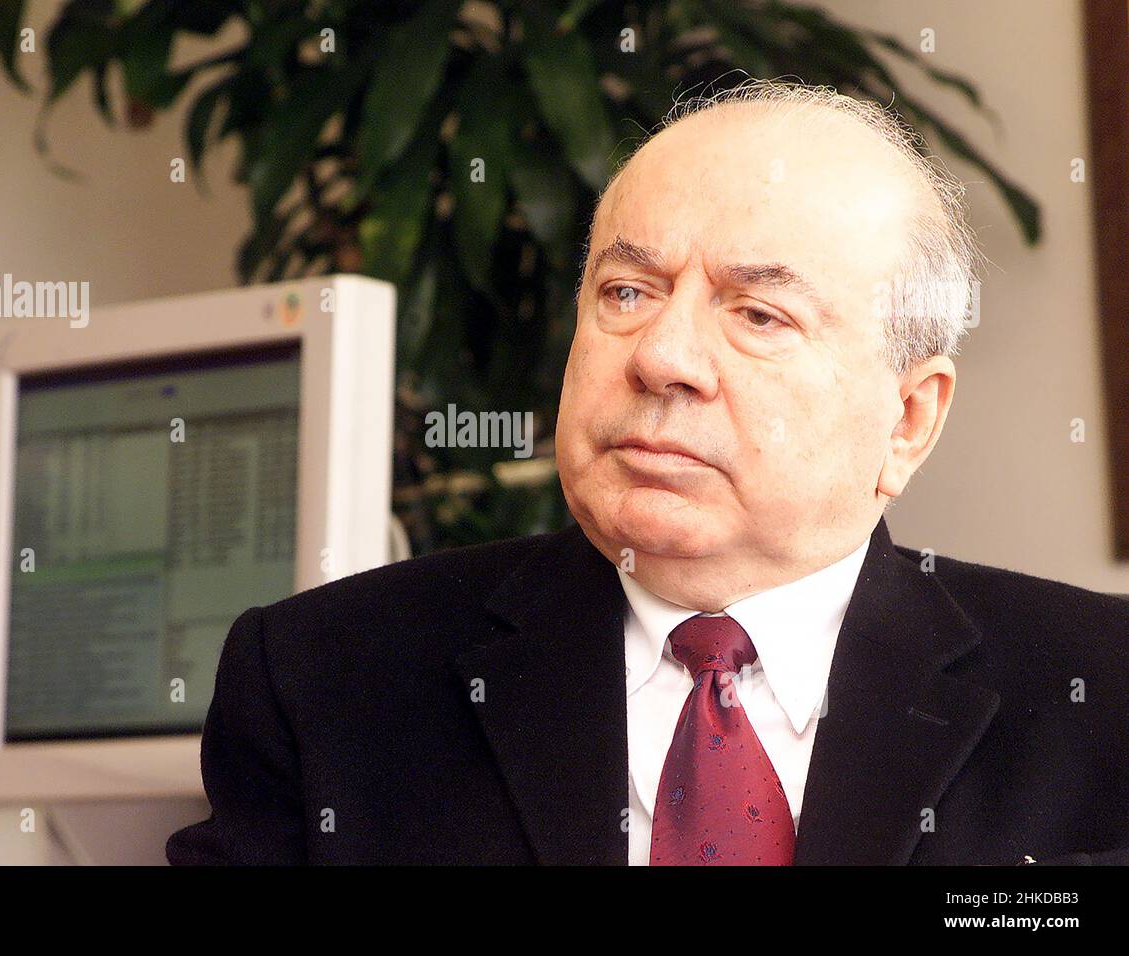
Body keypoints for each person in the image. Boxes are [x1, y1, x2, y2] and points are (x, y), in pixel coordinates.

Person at [167, 80, 1129, 866]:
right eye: (627, 292)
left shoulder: (1101, 691)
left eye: (758, 314)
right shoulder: (325, 682)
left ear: (908, 419)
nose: (663, 356)